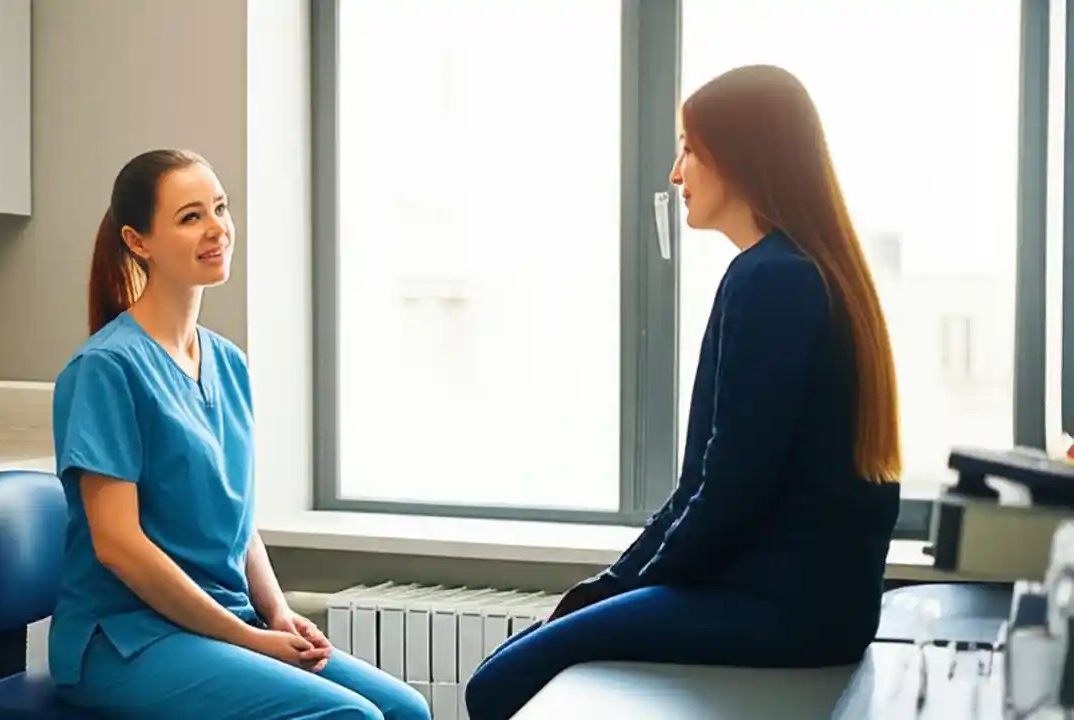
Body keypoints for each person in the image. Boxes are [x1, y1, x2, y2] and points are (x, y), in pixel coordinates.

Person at [464, 64, 903, 719]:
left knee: (497, 687)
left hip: (784, 609)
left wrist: (627, 589)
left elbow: (730, 492)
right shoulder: (797, 271)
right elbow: (703, 486)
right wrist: (610, 586)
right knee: (517, 661)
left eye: (689, 150)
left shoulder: (771, 280)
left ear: (742, 157)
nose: (676, 174)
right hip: (803, 603)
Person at [48, 148, 431, 720]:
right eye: (189, 216)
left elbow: (237, 521)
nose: (216, 229)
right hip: (126, 640)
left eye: (219, 208)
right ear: (138, 241)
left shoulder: (228, 363)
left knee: (406, 710)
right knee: (352, 719)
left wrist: (276, 613)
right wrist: (246, 638)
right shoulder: (107, 369)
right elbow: (118, 547)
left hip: (221, 622)